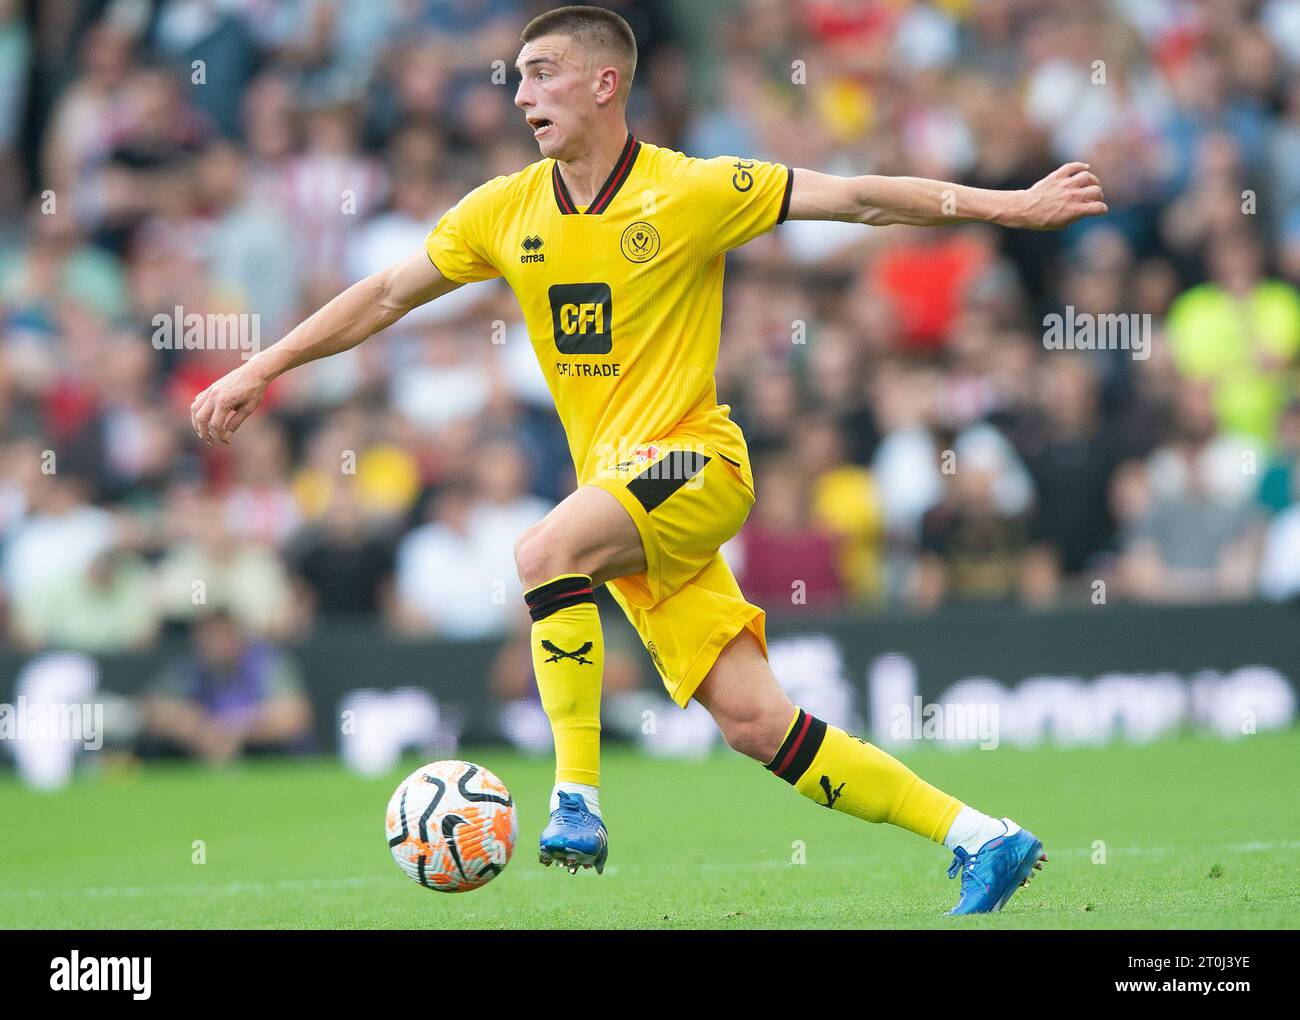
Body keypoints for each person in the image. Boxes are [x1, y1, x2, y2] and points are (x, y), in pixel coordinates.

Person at [190, 6, 1106, 913]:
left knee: (543, 553)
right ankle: (983, 839)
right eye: (516, 76)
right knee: (758, 726)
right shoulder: (504, 211)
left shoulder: (691, 190)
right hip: (624, 506)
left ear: (605, 82)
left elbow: (857, 195)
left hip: (695, 464)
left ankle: (576, 799)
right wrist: (264, 367)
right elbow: (388, 294)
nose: (522, 95)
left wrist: (1008, 204)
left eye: (542, 72)